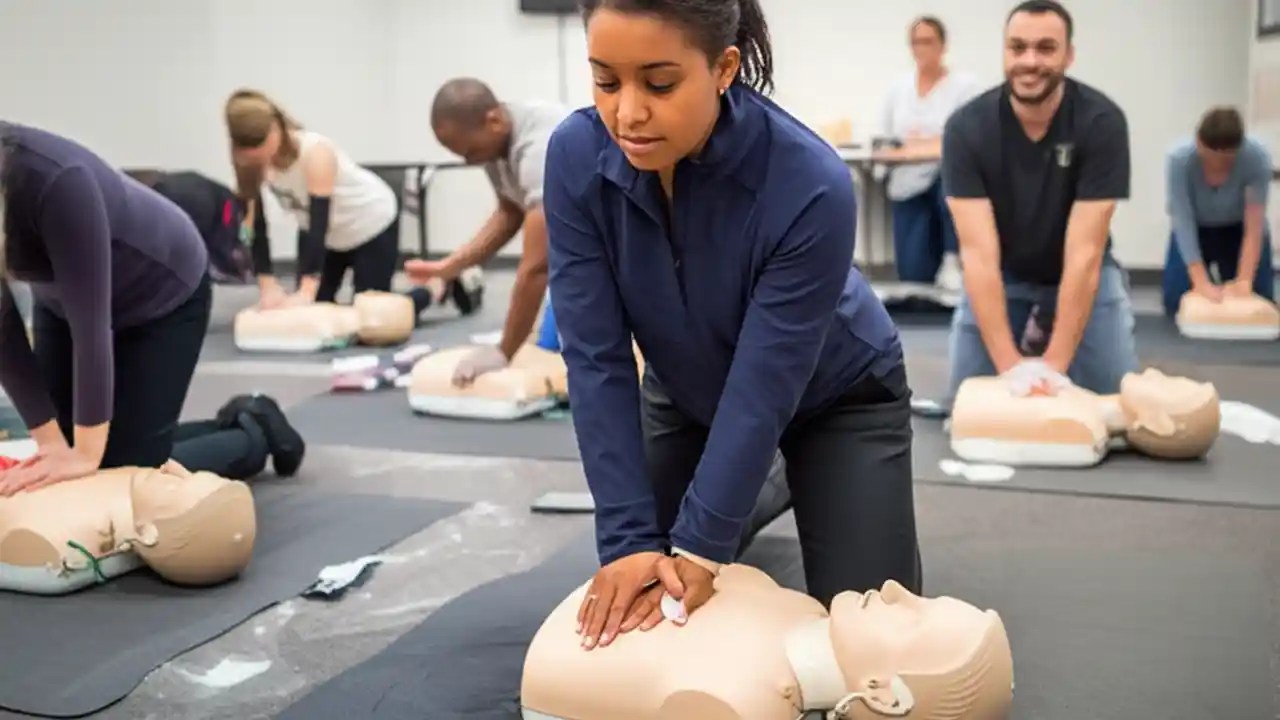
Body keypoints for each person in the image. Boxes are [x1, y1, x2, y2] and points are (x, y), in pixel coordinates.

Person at [545, 0, 919, 652]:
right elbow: (595, 358)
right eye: (606, 81)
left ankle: (793, 473)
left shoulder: (810, 182)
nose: (627, 113)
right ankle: (766, 483)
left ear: (724, 67)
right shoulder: (575, 156)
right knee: (641, 589)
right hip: (687, 395)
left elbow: (763, 386)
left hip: (839, 398)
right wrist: (630, 540)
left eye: (658, 84)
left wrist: (704, 541)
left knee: (871, 646)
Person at [0, 121, 306, 496]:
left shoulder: (57, 179)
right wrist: (50, 444)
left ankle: (253, 430)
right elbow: (3, 329)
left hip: (163, 292)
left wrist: (85, 457)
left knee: (124, 475)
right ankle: (206, 428)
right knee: (67, 458)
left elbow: (91, 330)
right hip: (63, 301)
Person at [941, 0, 1137, 404]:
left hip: (1082, 271)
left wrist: (1054, 368)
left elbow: (1085, 254)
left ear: (1069, 55)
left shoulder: (1102, 123)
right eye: (1017, 47)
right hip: (1003, 272)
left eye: (1046, 48)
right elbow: (978, 254)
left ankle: (1049, 344)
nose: (1029, 61)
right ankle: (1022, 346)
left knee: (1109, 396)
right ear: (1004, 52)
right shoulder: (966, 129)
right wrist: (1010, 367)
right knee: (967, 397)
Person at [224, 90, 479, 317]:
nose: (256, 155)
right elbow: (255, 224)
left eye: (260, 144)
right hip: (327, 236)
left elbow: (319, 222)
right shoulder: (246, 160)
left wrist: (307, 289)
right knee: (315, 312)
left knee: (373, 319)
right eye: (247, 149)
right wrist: (267, 284)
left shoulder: (314, 152)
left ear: (276, 127)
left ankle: (437, 284)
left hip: (369, 223)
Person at [406, 79, 569, 385]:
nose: (468, 160)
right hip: (581, 255)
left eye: (469, 151)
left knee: (583, 356)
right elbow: (509, 212)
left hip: (620, 250)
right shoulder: (496, 144)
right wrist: (451, 266)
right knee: (549, 354)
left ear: (493, 120)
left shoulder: (540, 147)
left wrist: (502, 352)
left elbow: (537, 266)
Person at [880, 16, 980, 290]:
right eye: (915, 42)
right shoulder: (899, 89)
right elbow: (889, 143)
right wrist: (927, 146)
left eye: (928, 41)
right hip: (908, 183)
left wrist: (916, 148)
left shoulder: (964, 87)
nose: (921, 49)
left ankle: (952, 258)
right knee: (913, 275)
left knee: (949, 176)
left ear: (943, 45)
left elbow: (963, 141)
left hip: (946, 179)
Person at [1161, 106, 1275, 316]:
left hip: (1238, 228)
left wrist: (1245, 280)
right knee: (1175, 300)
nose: (1217, 166)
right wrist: (1200, 281)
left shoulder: (1256, 158)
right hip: (1196, 227)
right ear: (1198, 143)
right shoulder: (1179, 160)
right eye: (1210, 157)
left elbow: (1254, 225)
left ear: (1237, 150)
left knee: (1259, 298)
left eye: (1226, 160)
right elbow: (1182, 220)